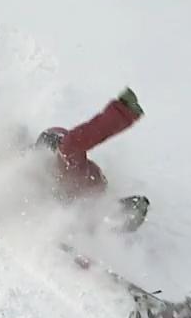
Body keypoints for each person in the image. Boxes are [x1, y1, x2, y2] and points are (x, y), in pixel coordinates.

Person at [35, 87, 148, 231]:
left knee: (81, 210)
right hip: (65, 205)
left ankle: (118, 215)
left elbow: (86, 135)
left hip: (88, 194)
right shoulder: (34, 171)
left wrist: (123, 111)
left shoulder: (67, 157)